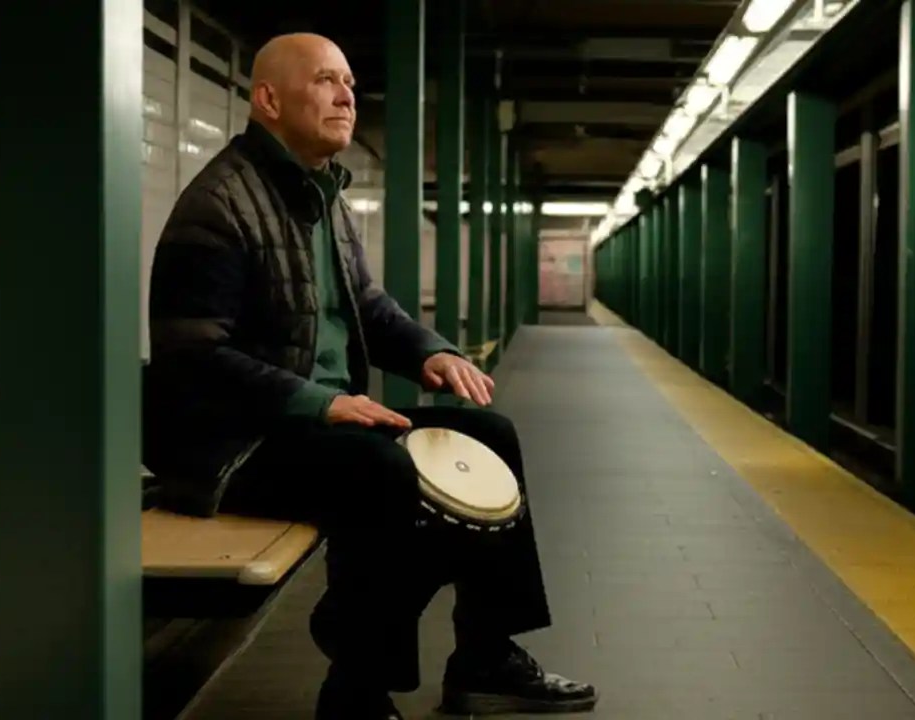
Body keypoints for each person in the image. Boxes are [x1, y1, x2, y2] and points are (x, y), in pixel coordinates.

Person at [141, 32, 597, 720]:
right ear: (268, 99)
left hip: (316, 423)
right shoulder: (220, 204)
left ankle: (484, 655)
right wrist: (318, 402)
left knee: (489, 436)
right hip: (234, 443)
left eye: (350, 82)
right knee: (380, 472)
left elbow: (369, 309)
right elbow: (191, 357)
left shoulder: (323, 198)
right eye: (326, 80)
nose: (347, 95)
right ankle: (357, 687)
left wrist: (429, 353)